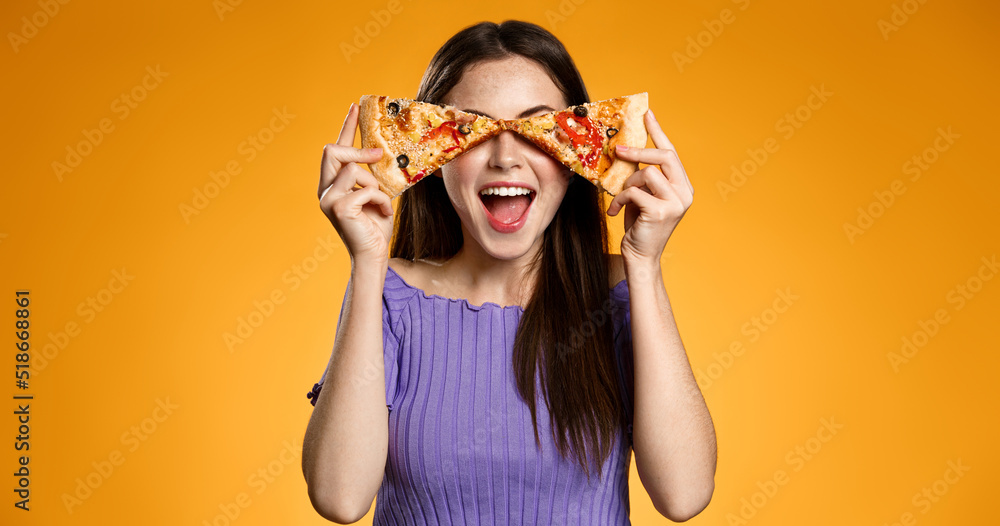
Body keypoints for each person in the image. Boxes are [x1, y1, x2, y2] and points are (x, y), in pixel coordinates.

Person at [302, 20, 716, 525]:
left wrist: (645, 267)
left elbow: (684, 495)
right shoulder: (391, 297)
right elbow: (339, 499)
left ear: (577, 155)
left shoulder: (619, 296)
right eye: (472, 130)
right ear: (433, 152)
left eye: (537, 130)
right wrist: (368, 260)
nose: (505, 158)